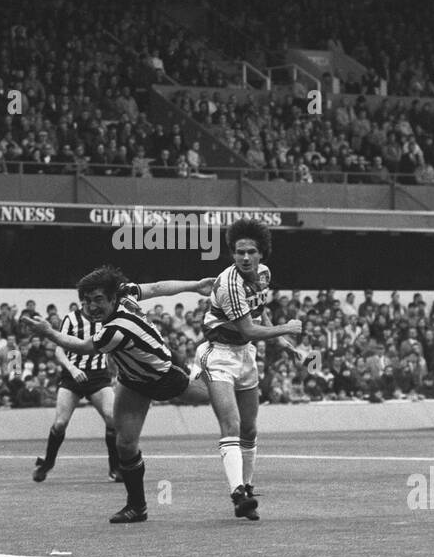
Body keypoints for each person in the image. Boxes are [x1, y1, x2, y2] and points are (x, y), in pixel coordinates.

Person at [19, 268, 214, 523]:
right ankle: (137, 507)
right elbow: (156, 287)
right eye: (87, 301)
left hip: (164, 376)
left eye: (98, 299)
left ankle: (221, 372)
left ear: (112, 298)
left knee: (214, 394)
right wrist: (195, 284)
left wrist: (49, 333)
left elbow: (84, 347)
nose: (92, 307)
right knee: (125, 444)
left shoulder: (115, 328)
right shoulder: (123, 296)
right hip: (131, 380)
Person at [194, 219, 305, 520]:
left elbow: (260, 314)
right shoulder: (229, 283)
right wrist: (288, 327)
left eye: (251, 252)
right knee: (230, 425)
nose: (244, 257)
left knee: (250, 428)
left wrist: (286, 344)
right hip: (219, 355)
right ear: (232, 253)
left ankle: (248, 485)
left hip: (245, 355)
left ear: (261, 254)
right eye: (239, 252)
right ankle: (238, 493)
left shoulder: (264, 275)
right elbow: (248, 328)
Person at [31, 296, 120, 484]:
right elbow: (59, 350)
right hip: (72, 377)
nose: (93, 306)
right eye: (89, 302)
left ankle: (115, 468)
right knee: (61, 423)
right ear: (84, 302)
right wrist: (72, 368)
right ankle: (48, 463)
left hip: (98, 377)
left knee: (112, 418)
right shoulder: (71, 319)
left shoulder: (107, 319)